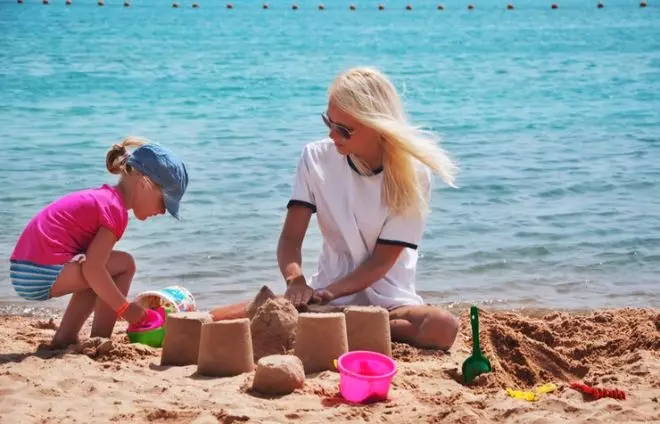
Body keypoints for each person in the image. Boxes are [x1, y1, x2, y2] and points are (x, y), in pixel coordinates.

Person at [212, 67, 459, 350]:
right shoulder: (315, 157)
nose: (332, 134)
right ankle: (338, 325)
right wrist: (296, 282)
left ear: (377, 126)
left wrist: (329, 294)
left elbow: (381, 262)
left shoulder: (413, 173)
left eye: (343, 129)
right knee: (221, 319)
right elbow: (291, 238)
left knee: (443, 327)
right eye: (328, 122)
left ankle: (326, 324)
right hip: (326, 297)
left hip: (387, 303)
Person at [9, 137, 189, 348]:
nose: (162, 212)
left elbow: (92, 268)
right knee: (123, 266)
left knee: (101, 270)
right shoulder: (114, 210)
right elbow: (93, 269)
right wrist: (125, 309)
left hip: (25, 271)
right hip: (40, 274)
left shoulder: (104, 199)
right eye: (164, 203)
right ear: (143, 183)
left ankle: (65, 337)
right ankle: (101, 338)